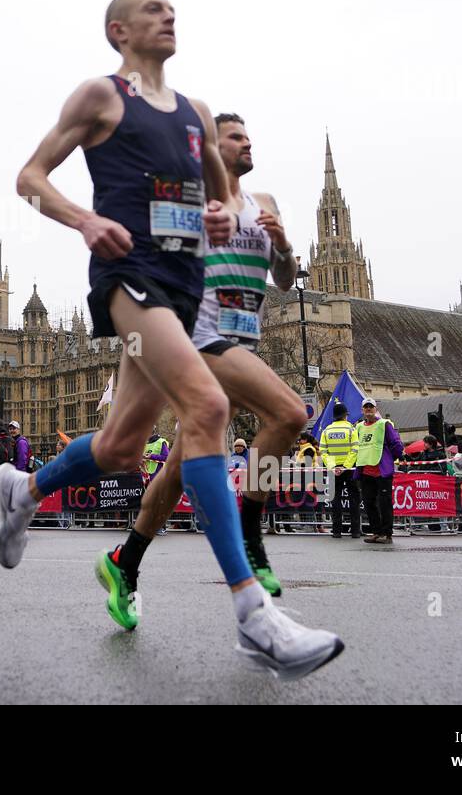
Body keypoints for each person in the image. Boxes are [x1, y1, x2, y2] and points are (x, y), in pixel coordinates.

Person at [0, 0, 342, 677]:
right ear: (120, 31)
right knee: (211, 409)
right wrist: (85, 221)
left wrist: (219, 213)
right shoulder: (100, 97)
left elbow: (218, 187)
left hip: (180, 292)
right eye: (153, 10)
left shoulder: (193, 113)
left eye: (172, 9)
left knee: (126, 447)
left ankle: (23, 490)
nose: (169, 15)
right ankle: (252, 610)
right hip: (129, 275)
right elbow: (30, 177)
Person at [96, 110, 309, 611]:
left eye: (249, 135)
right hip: (201, 337)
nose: (247, 142)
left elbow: (284, 279)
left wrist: (282, 244)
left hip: (244, 342)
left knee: (175, 471)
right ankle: (252, 539)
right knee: (290, 413)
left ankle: (124, 561)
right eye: (236, 137)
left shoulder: (264, 203)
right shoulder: (191, 199)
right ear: (213, 148)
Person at [355, 399, 403, 544]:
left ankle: (387, 534)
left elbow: (396, 443)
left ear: (376, 409)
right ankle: (376, 532)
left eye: (371, 407)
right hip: (366, 471)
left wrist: (392, 458)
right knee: (369, 503)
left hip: (382, 471)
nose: (368, 409)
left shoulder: (384, 424)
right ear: (362, 410)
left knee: (384, 503)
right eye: (366, 407)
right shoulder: (358, 427)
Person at [319, 404, 361, 538]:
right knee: (354, 499)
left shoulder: (326, 431)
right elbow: (355, 449)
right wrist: (345, 466)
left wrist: (333, 466)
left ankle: (336, 531)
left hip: (333, 470)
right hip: (349, 469)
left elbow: (323, 451)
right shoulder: (351, 429)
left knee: (335, 499)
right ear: (345, 415)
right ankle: (355, 531)